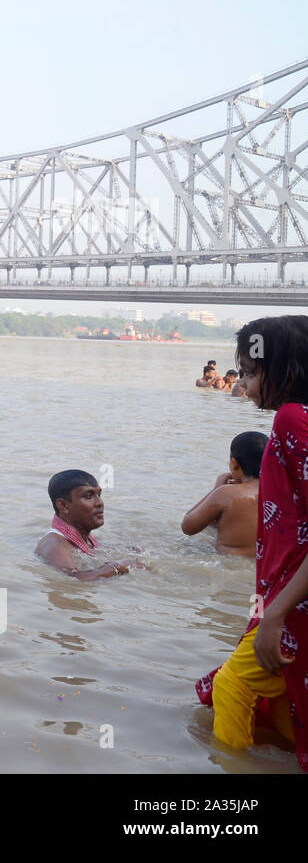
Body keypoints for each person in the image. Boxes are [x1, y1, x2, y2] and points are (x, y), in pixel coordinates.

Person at [197, 316, 308, 770]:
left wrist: (276, 612)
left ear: (281, 370)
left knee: (233, 686)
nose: (242, 383)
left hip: (293, 600)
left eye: (249, 372)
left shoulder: (291, 418)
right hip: (287, 592)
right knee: (285, 696)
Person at [34, 470, 142, 579]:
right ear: (63, 505)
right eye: (89, 496)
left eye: (99, 494)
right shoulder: (55, 544)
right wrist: (117, 566)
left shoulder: (85, 538)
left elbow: (95, 550)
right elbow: (76, 578)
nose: (100, 502)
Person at [180, 431, 266, 557]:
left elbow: (188, 527)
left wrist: (215, 490)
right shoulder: (282, 494)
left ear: (234, 462)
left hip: (229, 563)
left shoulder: (226, 493)